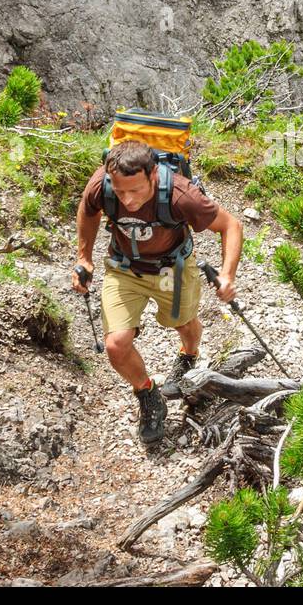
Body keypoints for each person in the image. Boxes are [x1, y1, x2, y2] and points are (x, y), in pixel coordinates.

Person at [73, 139, 242, 445]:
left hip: (172, 269)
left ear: (153, 176)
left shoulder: (180, 195)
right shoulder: (103, 184)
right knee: (116, 345)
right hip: (124, 269)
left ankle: (188, 356)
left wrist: (228, 274)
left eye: (135, 190)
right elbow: (87, 210)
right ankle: (148, 395)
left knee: (183, 322)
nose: (126, 199)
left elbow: (231, 225)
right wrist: (83, 257)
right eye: (119, 190)